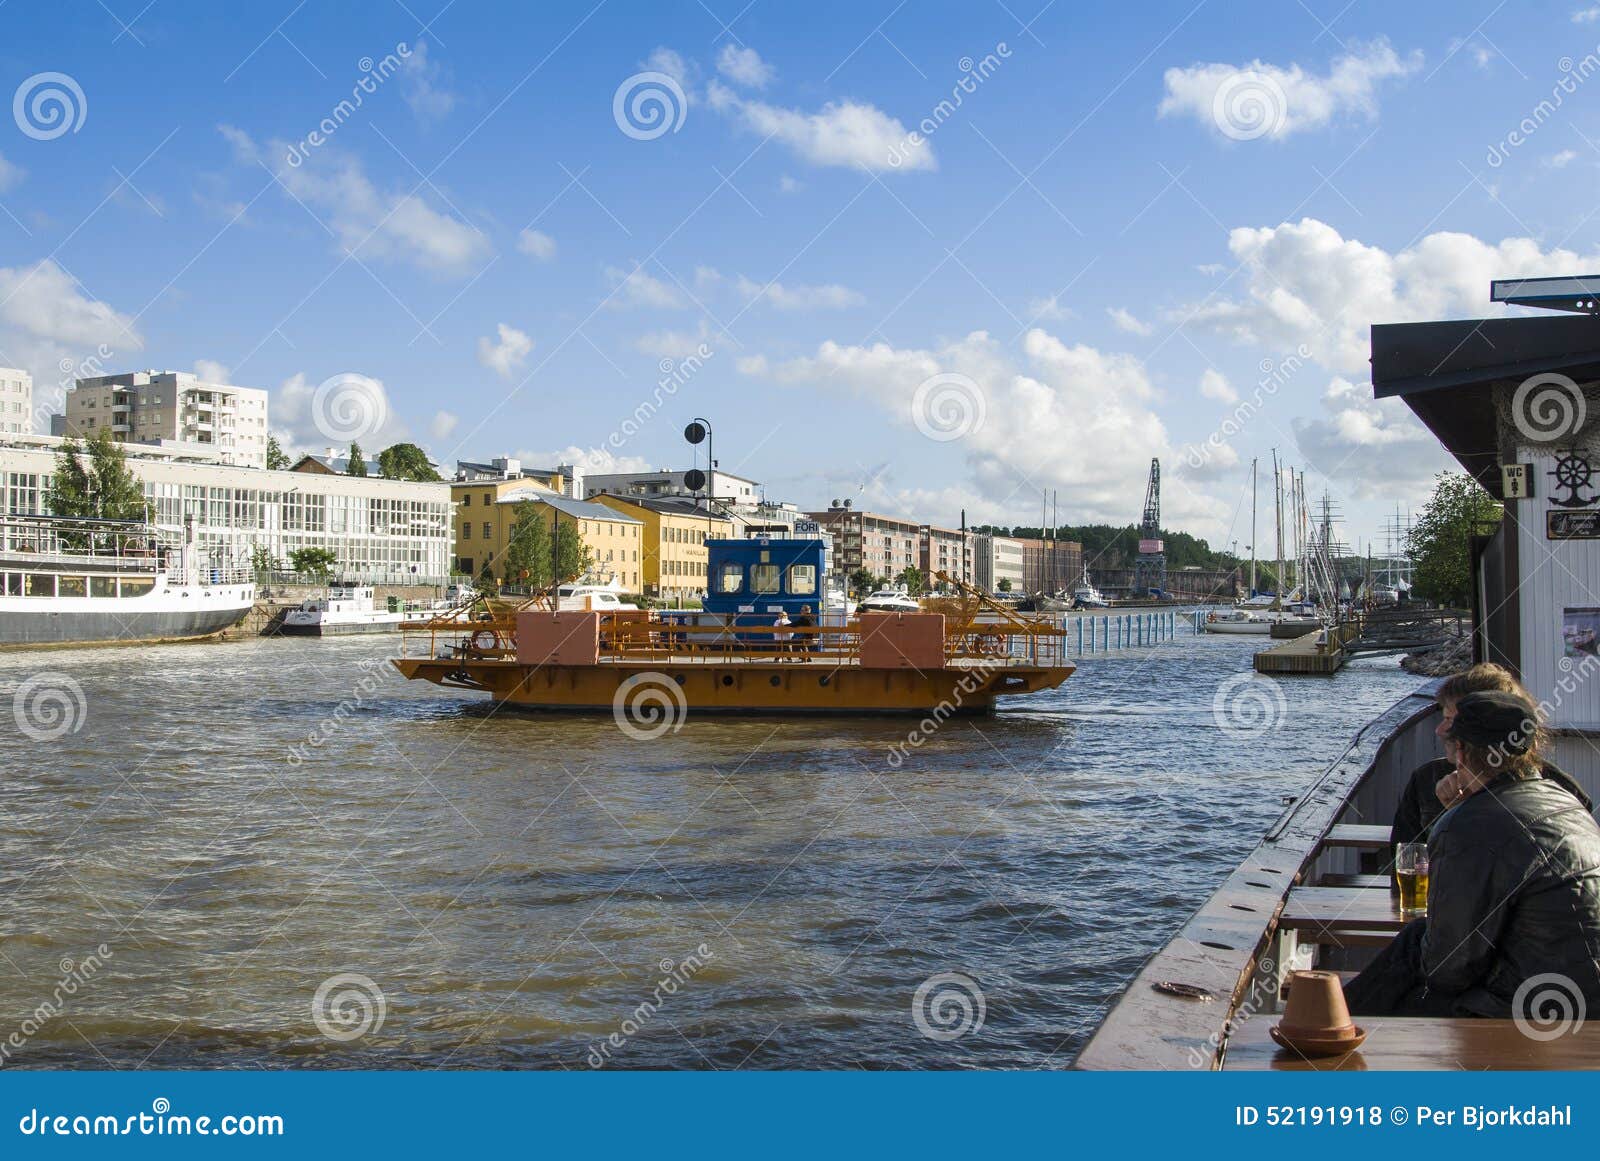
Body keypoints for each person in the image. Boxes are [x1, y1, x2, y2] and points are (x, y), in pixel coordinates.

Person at [1346, 689, 1600, 1018]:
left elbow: (1448, 968)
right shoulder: (1565, 802)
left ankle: (1323, 1036)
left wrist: (1457, 819)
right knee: (1412, 948)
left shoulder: (1470, 823)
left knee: (1408, 958)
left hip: (1535, 1009)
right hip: (1580, 995)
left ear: (1462, 751)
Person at [1390, 664, 1592, 846]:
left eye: (1451, 720)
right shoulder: (1425, 781)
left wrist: (1462, 814)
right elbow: (1405, 858)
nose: (1440, 730)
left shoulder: (1561, 790)